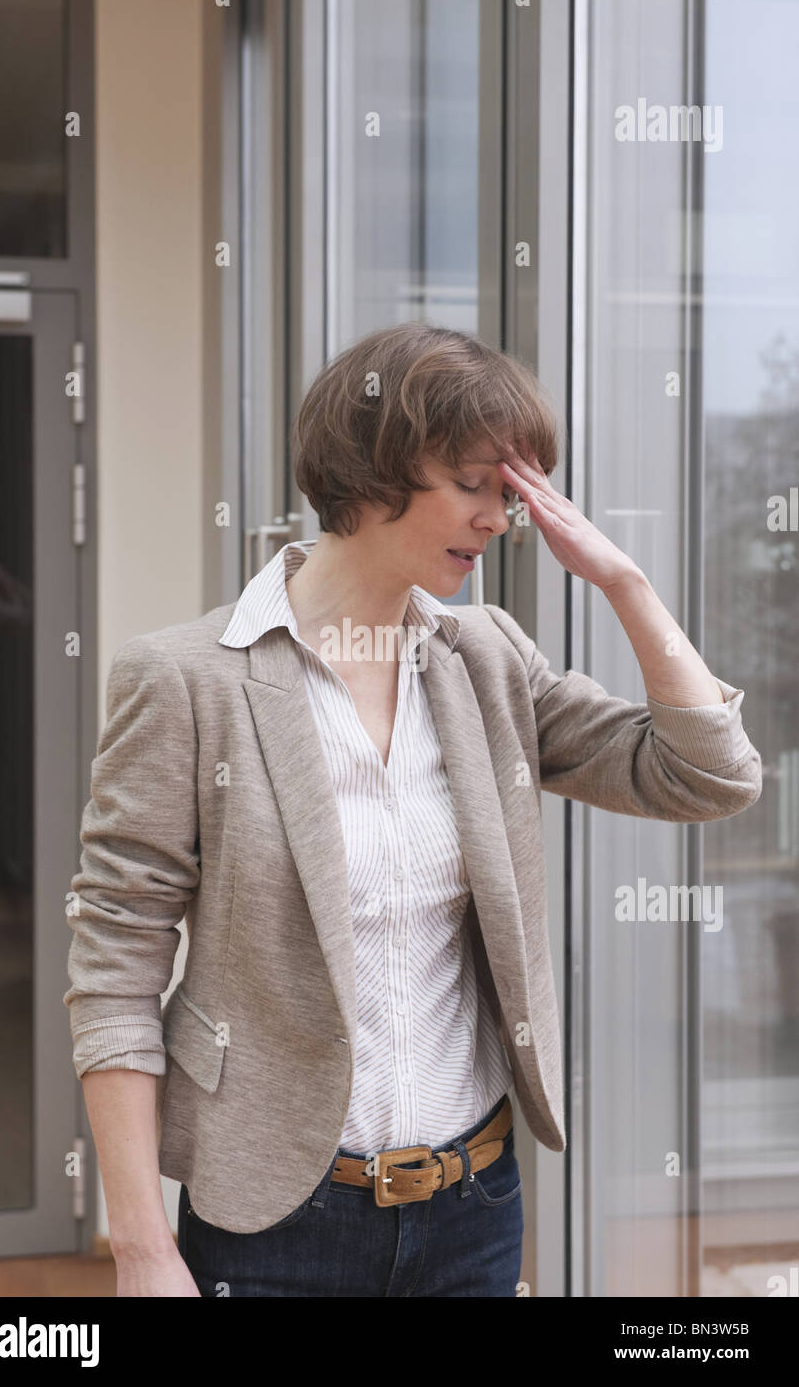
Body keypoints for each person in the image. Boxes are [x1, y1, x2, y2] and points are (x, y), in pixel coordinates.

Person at [65, 321, 762, 1297]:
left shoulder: (487, 658)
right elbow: (115, 966)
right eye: (474, 484)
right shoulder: (186, 681)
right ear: (372, 468)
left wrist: (623, 581)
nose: (499, 518)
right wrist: (140, 1247)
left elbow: (707, 775)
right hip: (273, 1222)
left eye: (510, 493)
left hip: (468, 1212)